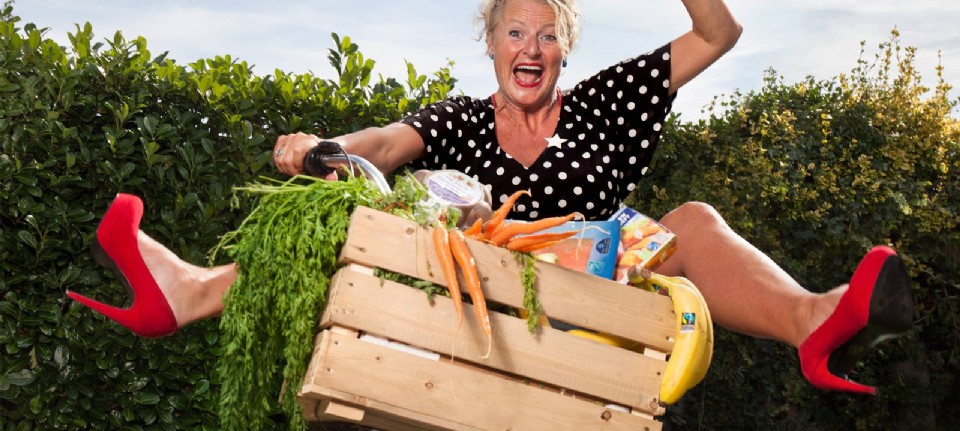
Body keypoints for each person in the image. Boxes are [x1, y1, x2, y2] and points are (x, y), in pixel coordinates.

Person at [67, 0, 913, 396]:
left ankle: (815, 320)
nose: (531, 46)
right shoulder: (462, 121)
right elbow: (386, 146)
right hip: (471, 304)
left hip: (593, 294)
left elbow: (719, 34)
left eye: (548, 33)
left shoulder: (603, 105)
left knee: (690, 223)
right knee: (368, 221)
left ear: (568, 49)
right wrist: (324, 146)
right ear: (491, 42)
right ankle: (191, 289)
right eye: (516, 30)